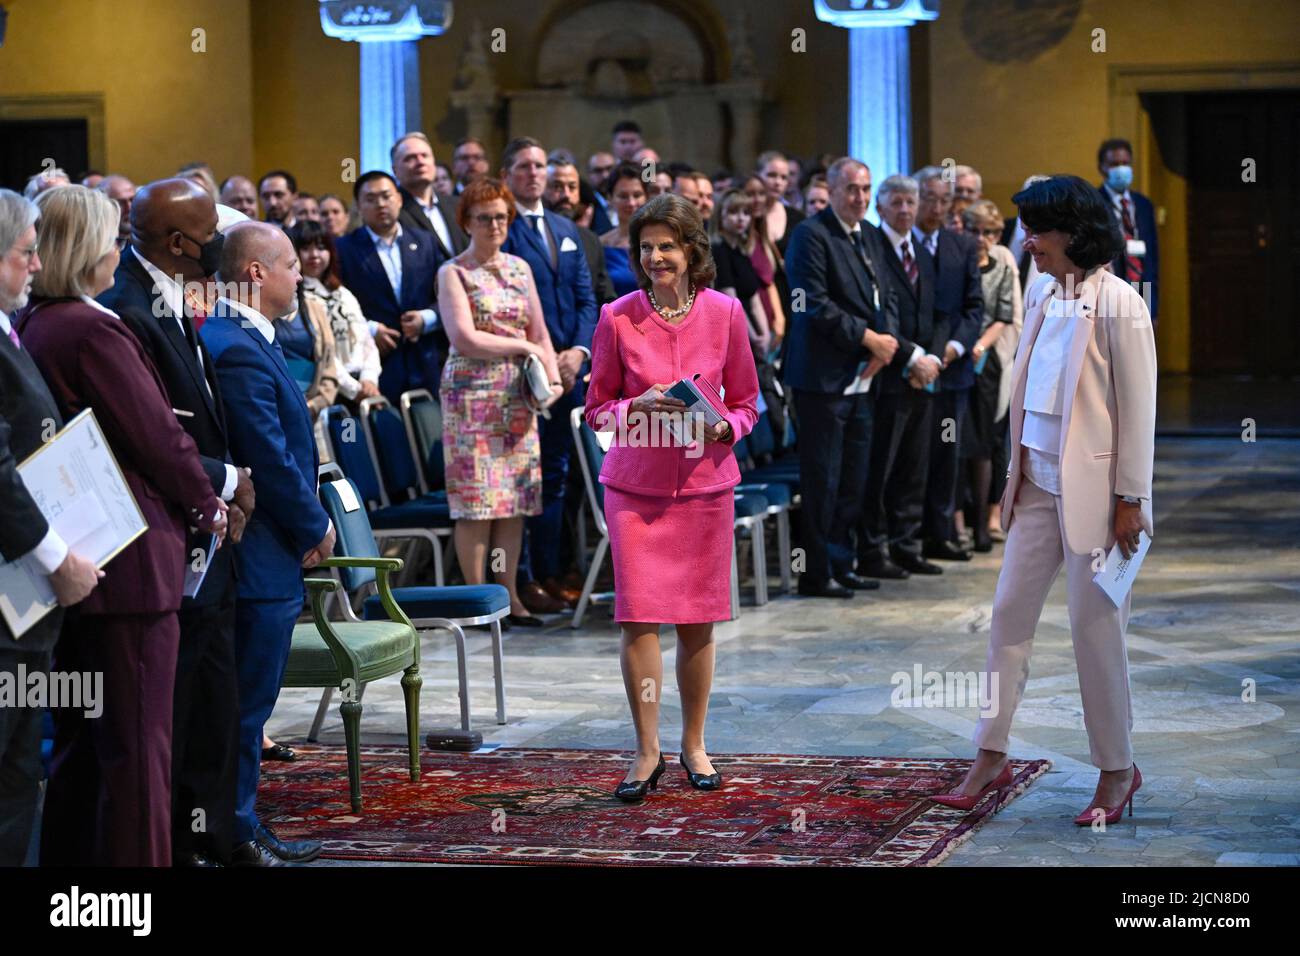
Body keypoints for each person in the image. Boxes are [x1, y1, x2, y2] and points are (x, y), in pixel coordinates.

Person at [932, 175, 1155, 826]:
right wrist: (1013, 478)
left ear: (1076, 233)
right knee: (1007, 617)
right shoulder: (1039, 289)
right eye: (1024, 227)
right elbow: (1025, 388)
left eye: (1039, 230)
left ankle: (1118, 770)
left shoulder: (1119, 304)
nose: (1026, 241)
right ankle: (991, 751)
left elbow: (1138, 412)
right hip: (1034, 484)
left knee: (1095, 634)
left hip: (1097, 495)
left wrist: (1130, 499)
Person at [18, 185, 228, 867]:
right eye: (113, 241)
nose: (120, 253)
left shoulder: (38, 324)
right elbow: (159, 438)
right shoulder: (92, 327)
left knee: (85, 747)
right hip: (133, 567)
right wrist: (210, 505)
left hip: (84, 566)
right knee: (140, 752)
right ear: (87, 252)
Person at [97, 177, 254, 866]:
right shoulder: (126, 309)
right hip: (171, 530)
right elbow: (153, 432)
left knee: (216, 694)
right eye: (212, 227)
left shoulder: (173, 289)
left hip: (210, 535)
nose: (224, 236)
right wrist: (225, 483)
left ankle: (215, 835)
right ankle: (178, 845)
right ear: (181, 243)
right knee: (179, 701)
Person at [584, 194, 760, 801]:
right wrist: (635, 405)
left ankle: (694, 744)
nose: (655, 256)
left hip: (706, 486)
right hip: (635, 488)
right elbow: (595, 410)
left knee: (696, 623)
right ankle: (645, 750)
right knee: (638, 617)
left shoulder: (726, 312)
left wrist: (724, 427)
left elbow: (748, 404)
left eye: (667, 245)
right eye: (645, 247)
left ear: (691, 251)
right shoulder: (616, 315)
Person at [201, 221, 336, 866]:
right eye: (289, 262)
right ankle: (233, 831)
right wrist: (315, 524)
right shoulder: (232, 345)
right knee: (244, 707)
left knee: (250, 705)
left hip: (269, 552)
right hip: (257, 558)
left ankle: (242, 824)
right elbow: (268, 455)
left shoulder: (252, 338)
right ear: (256, 272)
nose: (301, 273)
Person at [0, 188, 103, 866]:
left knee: (17, 773)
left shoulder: (9, 326)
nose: (36, 266)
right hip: (14, 589)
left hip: (24, 604)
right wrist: (56, 556)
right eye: (24, 253)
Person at [438, 178, 563, 627]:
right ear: (466, 222)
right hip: (471, 399)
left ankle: (508, 595)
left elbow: (540, 333)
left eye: (501, 217)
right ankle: (477, 603)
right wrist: (524, 350)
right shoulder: (454, 271)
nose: (494, 225)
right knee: (477, 503)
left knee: (513, 502)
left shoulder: (519, 268)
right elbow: (464, 338)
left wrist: (550, 376)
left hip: (517, 397)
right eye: (483, 217)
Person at [783, 158, 899, 598]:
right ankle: (814, 572)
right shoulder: (810, 235)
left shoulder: (869, 234)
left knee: (855, 475)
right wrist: (870, 339)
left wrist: (885, 345)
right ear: (830, 189)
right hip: (822, 375)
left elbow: (884, 294)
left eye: (866, 189)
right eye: (852, 189)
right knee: (823, 478)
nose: (861, 198)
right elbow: (810, 302)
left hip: (866, 373)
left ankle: (841, 560)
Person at [500, 137, 598, 613]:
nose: (534, 173)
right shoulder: (503, 227)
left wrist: (579, 351)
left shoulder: (564, 227)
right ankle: (524, 578)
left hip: (568, 371)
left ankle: (554, 570)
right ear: (509, 175)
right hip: (523, 376)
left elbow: (586, 299)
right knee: (525, 478)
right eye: (524, 166)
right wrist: (543, 354)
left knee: (558, 475)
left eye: (540, 165)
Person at [858, 174, 946, 580]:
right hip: (890, 374)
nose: (906, 210)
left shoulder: (923, 253)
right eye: (896, 203)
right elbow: (881, 316)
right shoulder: (873, 247)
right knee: (884, 468)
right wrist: (910, 359)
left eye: (911, 202)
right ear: (880, 207)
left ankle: (906, 544)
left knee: (915, 466)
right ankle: (875, 550)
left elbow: (935, 313)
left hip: (924, 374)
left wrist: (930, 359)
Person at [911, 166, 984, 564]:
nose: (936, 207)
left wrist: (951, 350)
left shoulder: (962, 245)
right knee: (912, 457)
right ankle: (908, 537)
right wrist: (921, 356)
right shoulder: (901, 244)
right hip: (912, 367)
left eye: (944, 199)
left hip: (952, 369)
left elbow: (974, 308)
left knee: (946, 452)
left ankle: (941, 533)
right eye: (929, 198)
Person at [335, 170, 445, 404]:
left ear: (399, 199)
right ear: (359, 206)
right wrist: (370, 329)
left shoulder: (425, 241)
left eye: (386, 196)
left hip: (426, 359)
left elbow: (448, 294)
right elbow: (335, 306)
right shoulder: (344, 248)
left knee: (430, 434)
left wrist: (428, 318)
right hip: (378, 364)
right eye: (371, 199)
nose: (381, 204)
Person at [958, 200, 1020, 553]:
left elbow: (1005, 314)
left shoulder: (1002, 263)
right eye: (974, 231)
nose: (981, 239)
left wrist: (979, 346)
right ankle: (955, 523)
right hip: (955, 357)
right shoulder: (955, 260)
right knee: (952, 443)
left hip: (986, 359)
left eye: (989, 232)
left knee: (984, 444)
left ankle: (983, 523)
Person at [293, 218, 381, 406]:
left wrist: (369, 379)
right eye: (306, 248)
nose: (314, 255)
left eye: (321, 247)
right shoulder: (296, 300)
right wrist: (354, 389)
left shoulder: (343, 292)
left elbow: (366, 339)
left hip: (364, 388)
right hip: (333, 394)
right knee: (347, 435)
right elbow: (322, 353)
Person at [280, 225, 342, 415]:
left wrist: (315, 405)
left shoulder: (314, 307)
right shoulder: (257, 315)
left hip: (313, 412)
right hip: (279, 412)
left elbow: (330, 367)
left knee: (351, 438)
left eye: (293, 262)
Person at [1097, 137, 1159, 323]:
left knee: (1145, 349)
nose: (1121, 169)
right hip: (1112, 292)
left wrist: (1153, 306)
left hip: (1143, 289)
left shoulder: (1143, 204)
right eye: (1114, 164)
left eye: (1125, 163)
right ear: (1102, 168)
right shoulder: (1094, 203)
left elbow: (1153, 256)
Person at [711, 189, 772, 357]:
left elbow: (754, 299)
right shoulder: (718, 250)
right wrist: (753, 337)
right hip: (731, 335)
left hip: (749, 334)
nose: (740, 218)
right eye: (733, 212)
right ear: (720, 216)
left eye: (746, 213)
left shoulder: (742, 250)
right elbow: (731, 302)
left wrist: (765, 334)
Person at [546, 158, 614, 306]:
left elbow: (605, 295)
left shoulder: (591, 239)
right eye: (557, 187)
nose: (566, 195)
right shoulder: (532, 234)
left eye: (572, 187)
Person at [393, 132, 467, 259]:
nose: (420, 162)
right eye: (410, 158)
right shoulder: (393, 212)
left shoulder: (458, 205)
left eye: (425, 156)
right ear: (395, 170)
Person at [599, 161, 648, 298]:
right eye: (623, 196)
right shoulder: (600, 244)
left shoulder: (661, 243)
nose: (631, 203)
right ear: (610, 199)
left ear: (646, 197)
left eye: (637, 195)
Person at [755, 151, 805, 254]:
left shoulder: (798, 218)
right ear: (757, 176)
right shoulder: (747, 214)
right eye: (772, 175)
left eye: (784, 177)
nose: (778, 182)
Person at [95, 175, 136, 249]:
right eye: (120, 203)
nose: (129, 208)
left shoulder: (152, 245)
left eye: (132, 200)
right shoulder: (93, 247)